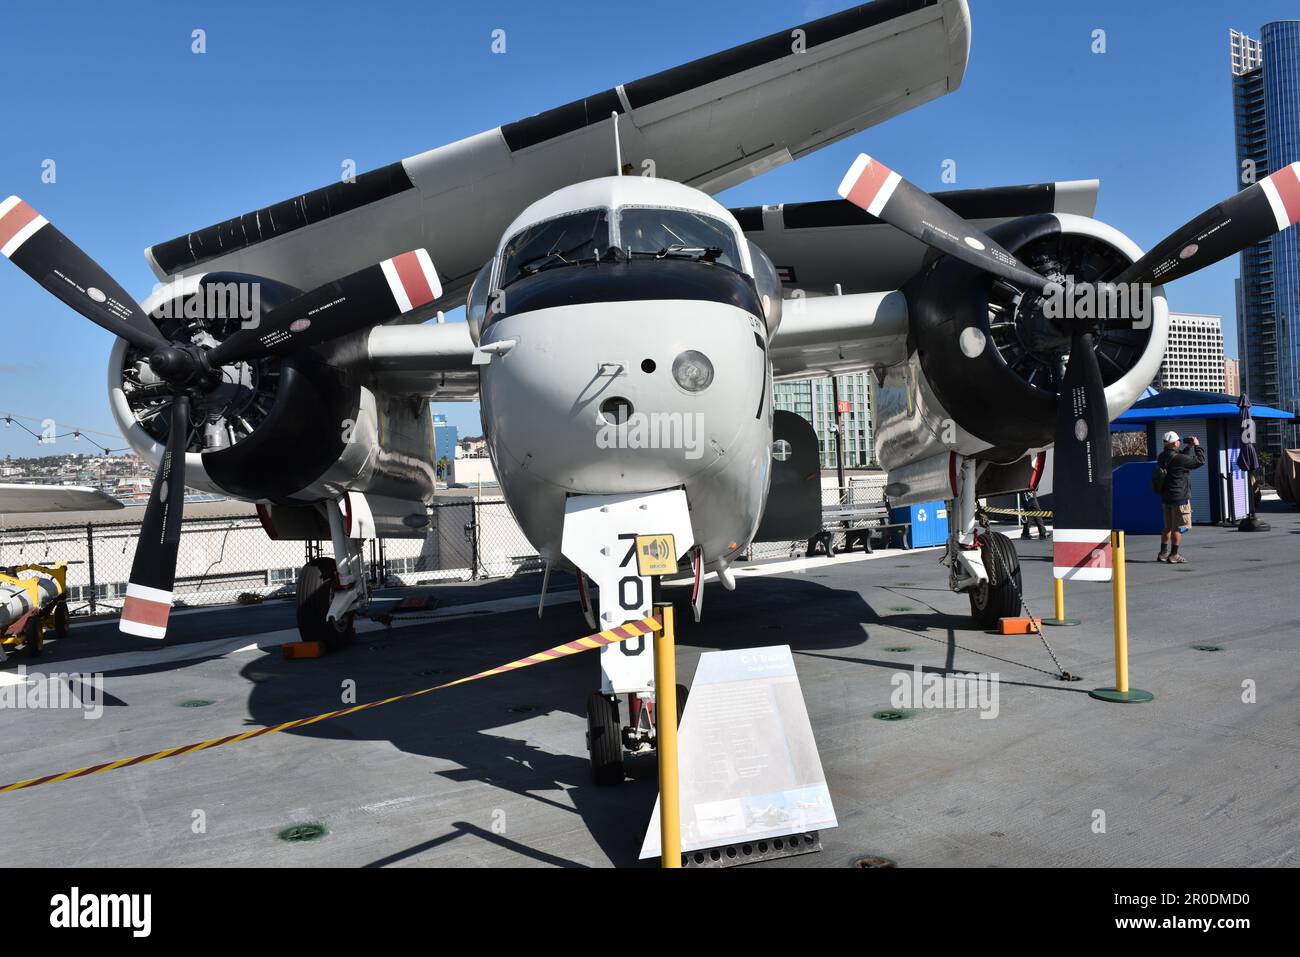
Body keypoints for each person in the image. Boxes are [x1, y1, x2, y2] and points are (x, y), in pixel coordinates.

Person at [1156, 431, 1205, 563]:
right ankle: (1174, 555)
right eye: (1178, 441)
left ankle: (1163, 553)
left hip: (1166, 497)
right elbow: (1200, 461)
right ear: (1174, 443)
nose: (1179, 442)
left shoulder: (1162, 456)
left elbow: (1180, 458)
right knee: (1177, 527)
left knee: (1167, 527)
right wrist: (1197, 446)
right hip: (1180, 498)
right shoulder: (1180, 459)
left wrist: (1188, 447)